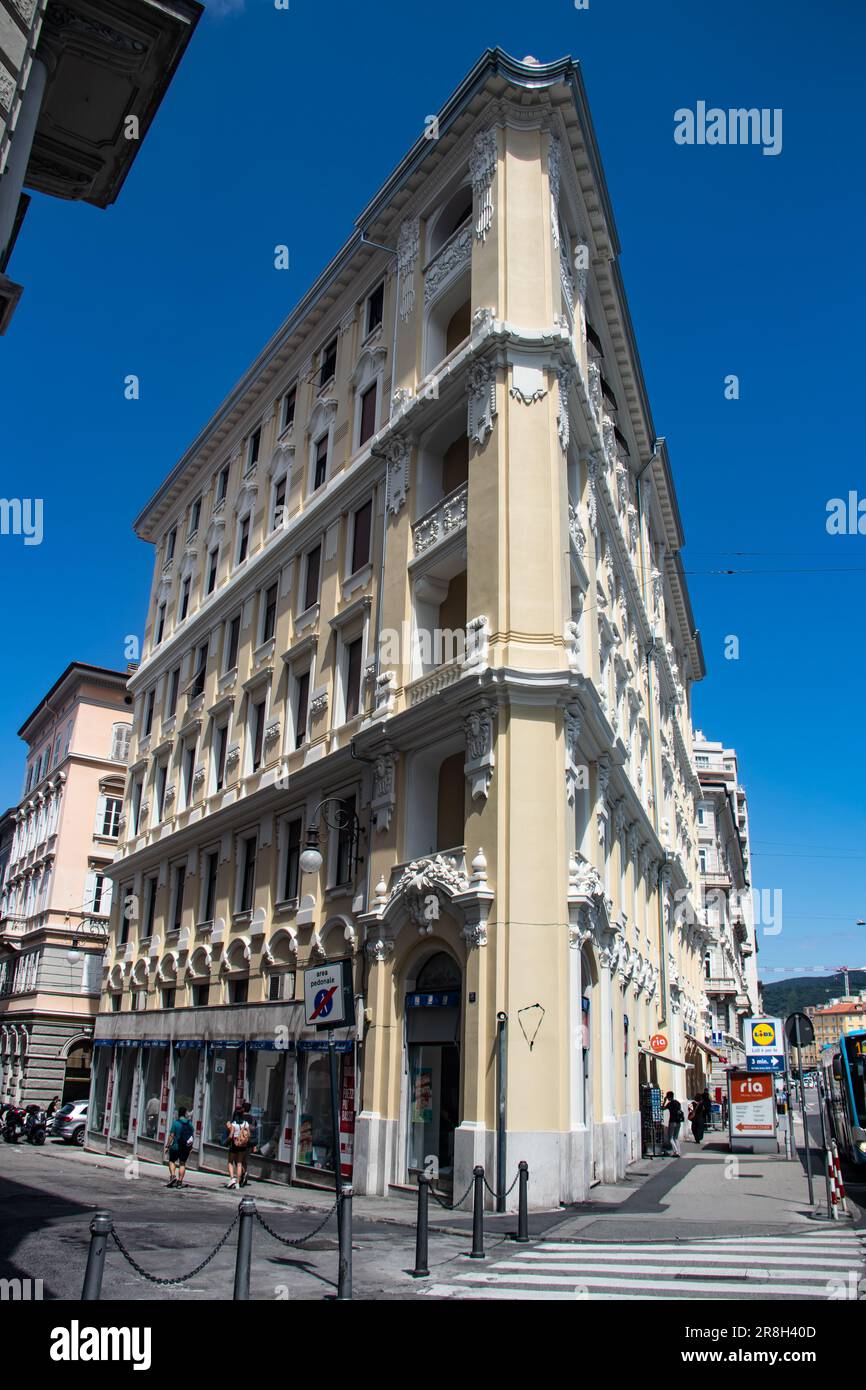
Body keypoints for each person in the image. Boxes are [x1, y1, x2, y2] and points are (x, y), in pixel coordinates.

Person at [164, 1105, 194, 1188]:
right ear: (185, 1114)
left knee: (171, 1161)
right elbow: (191, 1135)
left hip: (176, 1147)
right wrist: (191, 1147)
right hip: (185, 1148)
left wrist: (167, 1145)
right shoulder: (189, 1123)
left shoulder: (176, 1123)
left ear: (178, 1114)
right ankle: (180, 1182)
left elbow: (171, 1135)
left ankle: (173, 1176)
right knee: (182, 1164)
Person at [225, 1104, 252, 1189]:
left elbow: (230, 1135)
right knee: (240, 1163)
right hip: (243, 1146)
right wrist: (244, 1139)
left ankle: (232, 1179)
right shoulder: (246, 1123)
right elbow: (249, 1134)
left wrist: (226, 1142)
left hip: (234, 1144)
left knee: (230, 1162)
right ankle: (237, 1183)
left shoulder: (233, 1124)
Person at [662, 1091, 684, 1156]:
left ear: (668, 1097)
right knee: (676, 1137)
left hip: (672, 1122)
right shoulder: (678, 1103)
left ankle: (676, 1152)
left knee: (670, 1137)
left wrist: (664, 1101)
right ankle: (679, 1151)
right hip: (678, 1122)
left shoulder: (670, 1104)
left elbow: (663, 1108)